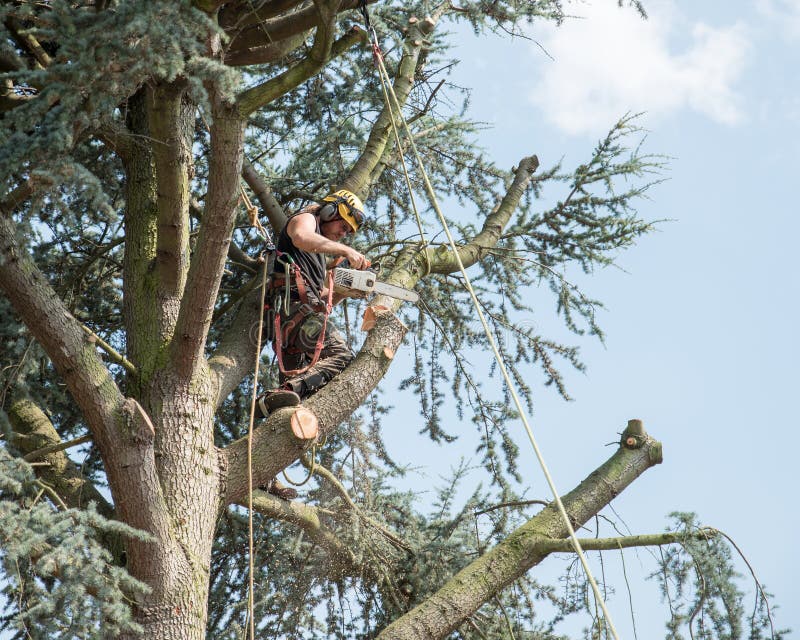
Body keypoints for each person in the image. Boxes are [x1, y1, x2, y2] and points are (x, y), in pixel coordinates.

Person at [258, 189, 369, 500]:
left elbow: (318, 286)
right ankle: (288, 390)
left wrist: (348, 284)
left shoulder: (318, 257)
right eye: (343, 226)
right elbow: (301, 236)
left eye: (347, 231)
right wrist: (342, 247)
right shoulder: (306, 219)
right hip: (294, 311)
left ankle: (263, 474)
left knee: (289, 412)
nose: (343, 232)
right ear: (330, 212)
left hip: (297, 318)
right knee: (344, 356)